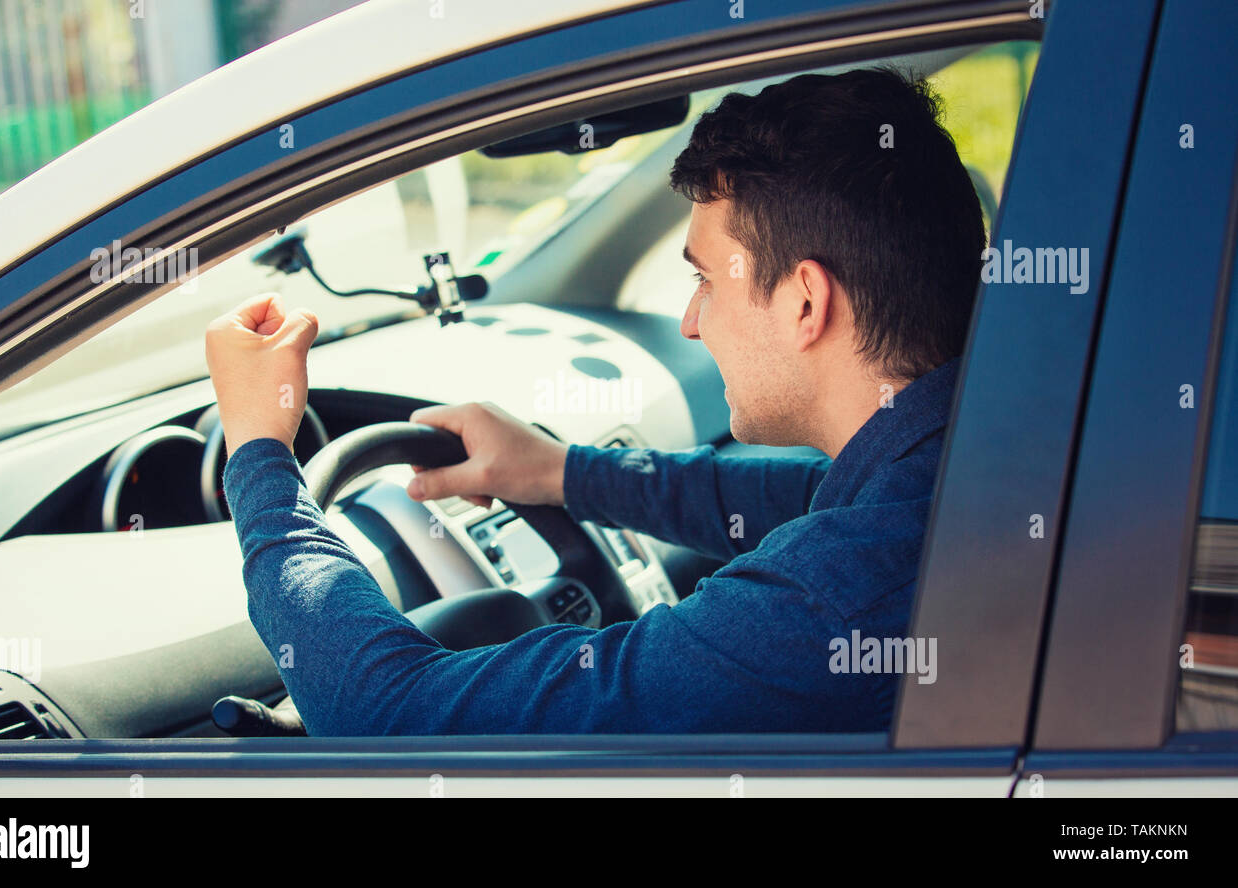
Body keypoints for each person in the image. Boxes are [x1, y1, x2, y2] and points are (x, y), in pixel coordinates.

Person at [204, 67, 984, 734]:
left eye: (705, 282)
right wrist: (561, 472)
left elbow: (390, 715)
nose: (689, 321)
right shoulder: (958, 463)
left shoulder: (834, 600)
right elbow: (798, 498)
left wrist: (260, 456)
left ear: (805, 303)